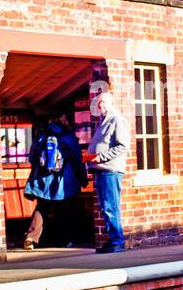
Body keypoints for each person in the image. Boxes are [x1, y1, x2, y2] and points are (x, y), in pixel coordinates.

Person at [22, 114, 88, 250]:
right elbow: (77, 161)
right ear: (64, 121)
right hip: (64, 180)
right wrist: (83, 179)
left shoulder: (41, 136)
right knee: (63, 209)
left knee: (42, 207)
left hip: (43, 179)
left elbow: (32, 158)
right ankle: (61, 241)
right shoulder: (69, 137)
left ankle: (31, 238)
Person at [87, 83, 129, 253]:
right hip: (101, 169)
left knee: (111, 206)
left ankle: (117, 241)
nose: (100, 105)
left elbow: (122, 146)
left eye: (103, 102)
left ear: (111, 103)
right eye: (98, 102)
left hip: (110, 171)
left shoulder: (117, 119)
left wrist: (101, 157)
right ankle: (113, 240)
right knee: (106, 206)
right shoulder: (103, 121)